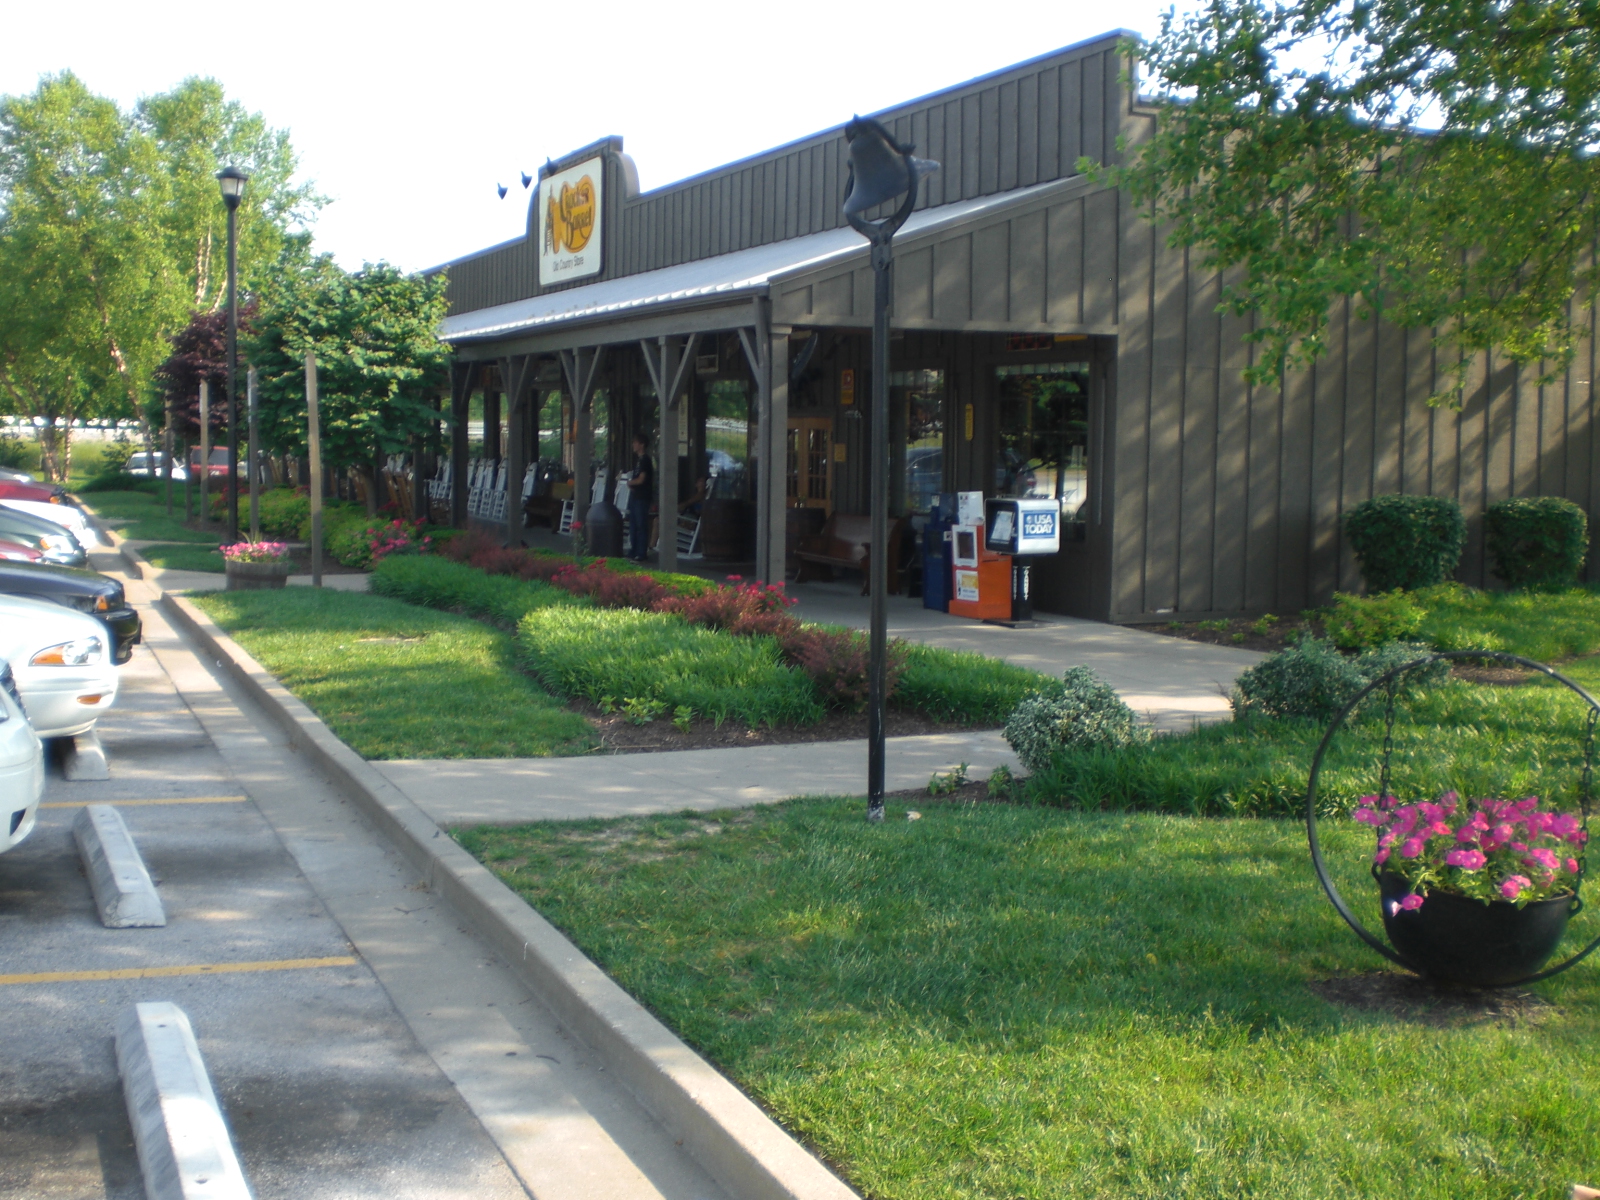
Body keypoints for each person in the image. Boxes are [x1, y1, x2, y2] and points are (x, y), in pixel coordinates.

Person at [625, 434, 655, 561]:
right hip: (635, 495)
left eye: (635, 442)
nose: (633, 445)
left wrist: (630, 483)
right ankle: (634, 550)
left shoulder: (645, 460)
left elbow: (641, 479)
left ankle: (641, 552)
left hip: (642, 497)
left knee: (640, 524)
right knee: (633, 524)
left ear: (642, 445)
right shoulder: (638, 460)